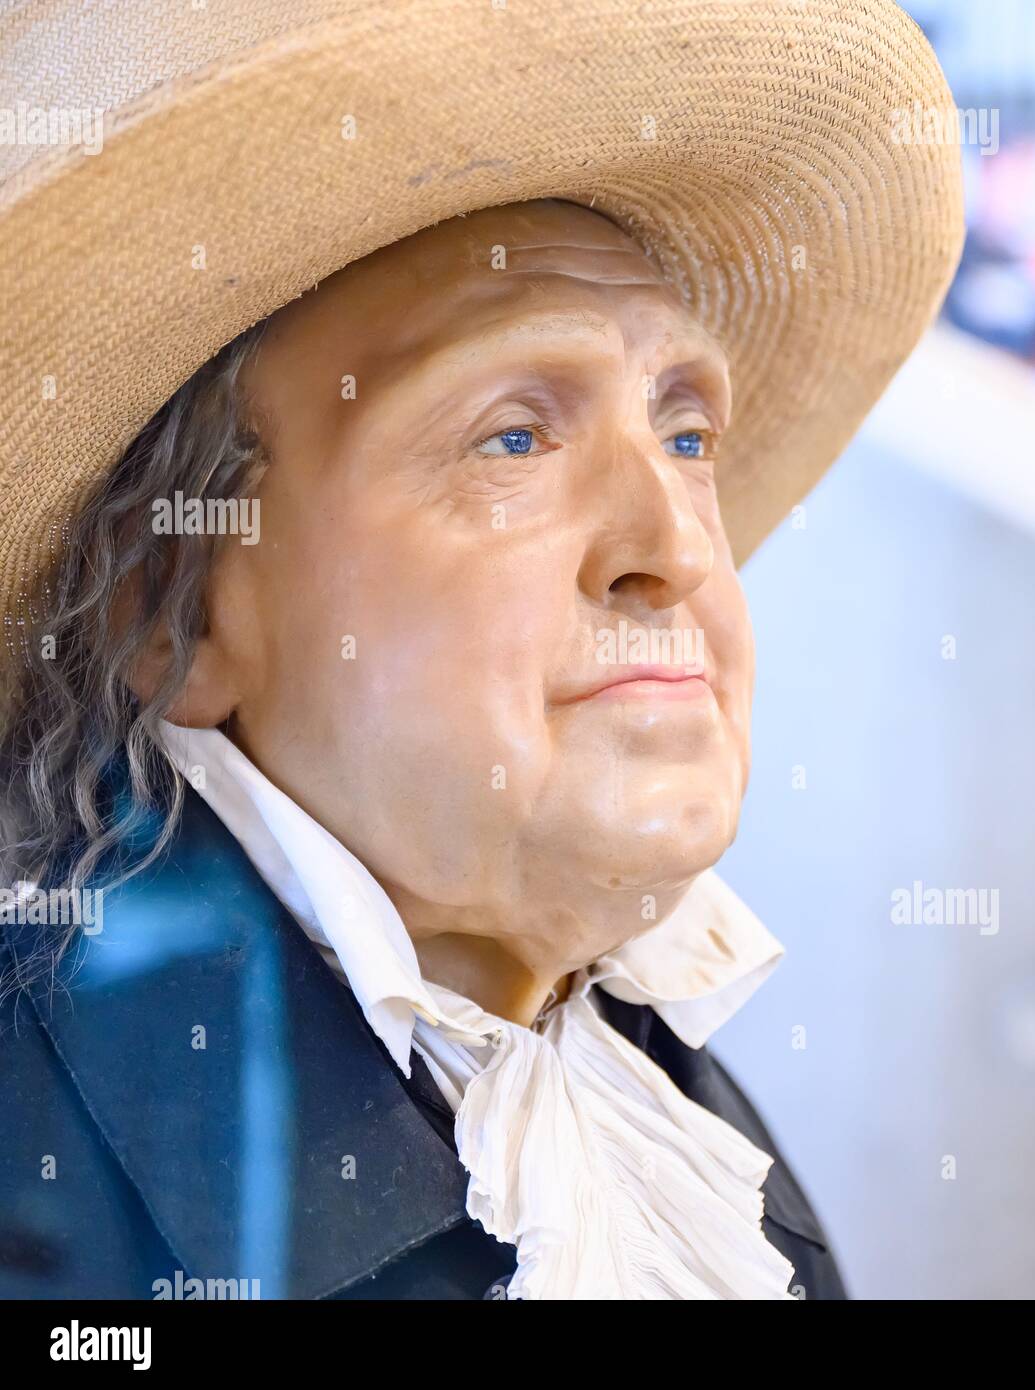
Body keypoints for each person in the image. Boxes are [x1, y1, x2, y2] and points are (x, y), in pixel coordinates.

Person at [0, 0, 963, 1299]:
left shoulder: (665, 1119)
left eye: (686, 435)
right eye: (512, 437)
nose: (673, 543)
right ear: (171, 608)